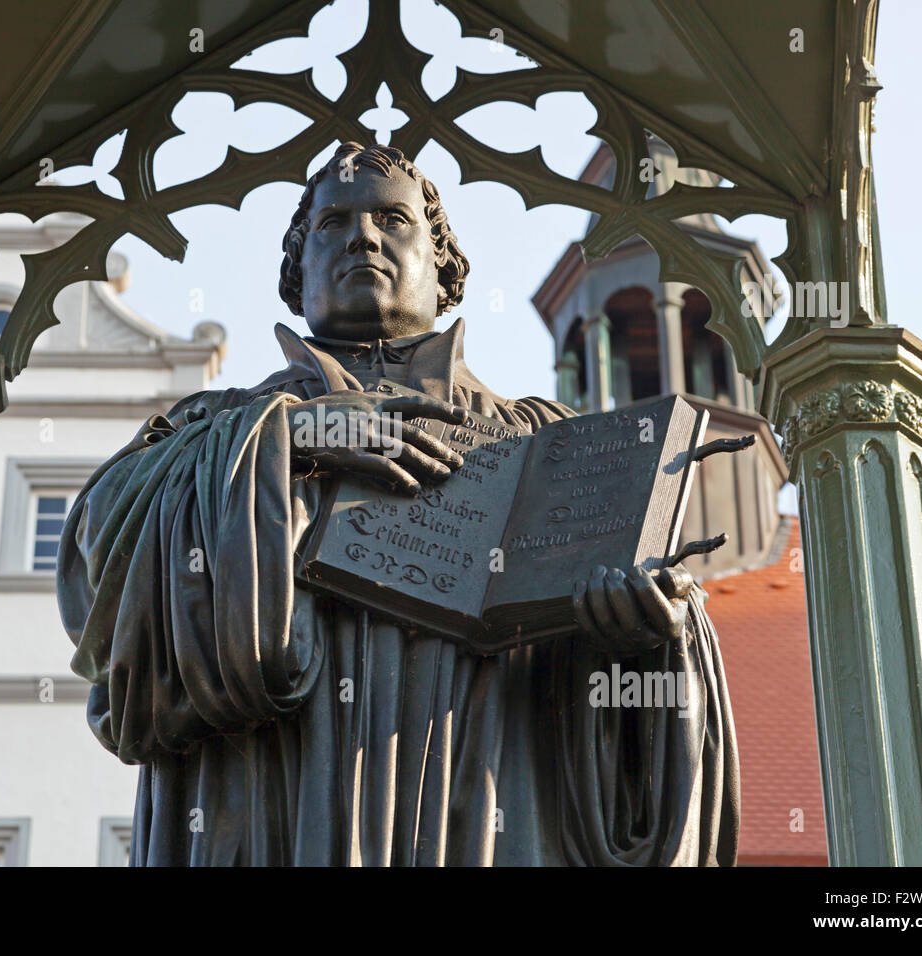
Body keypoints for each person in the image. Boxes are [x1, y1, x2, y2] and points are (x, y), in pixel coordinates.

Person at [57, 142, 738, 865]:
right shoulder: (210, 428)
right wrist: (287, 439)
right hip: (268, 807)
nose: (363, 236)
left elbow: (645, 680)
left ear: (440, 262)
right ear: (299, 269)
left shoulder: (552, 447)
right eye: (333, 223)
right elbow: (99, 569)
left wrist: (644, 642)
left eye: (393, 218)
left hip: (489, 805)